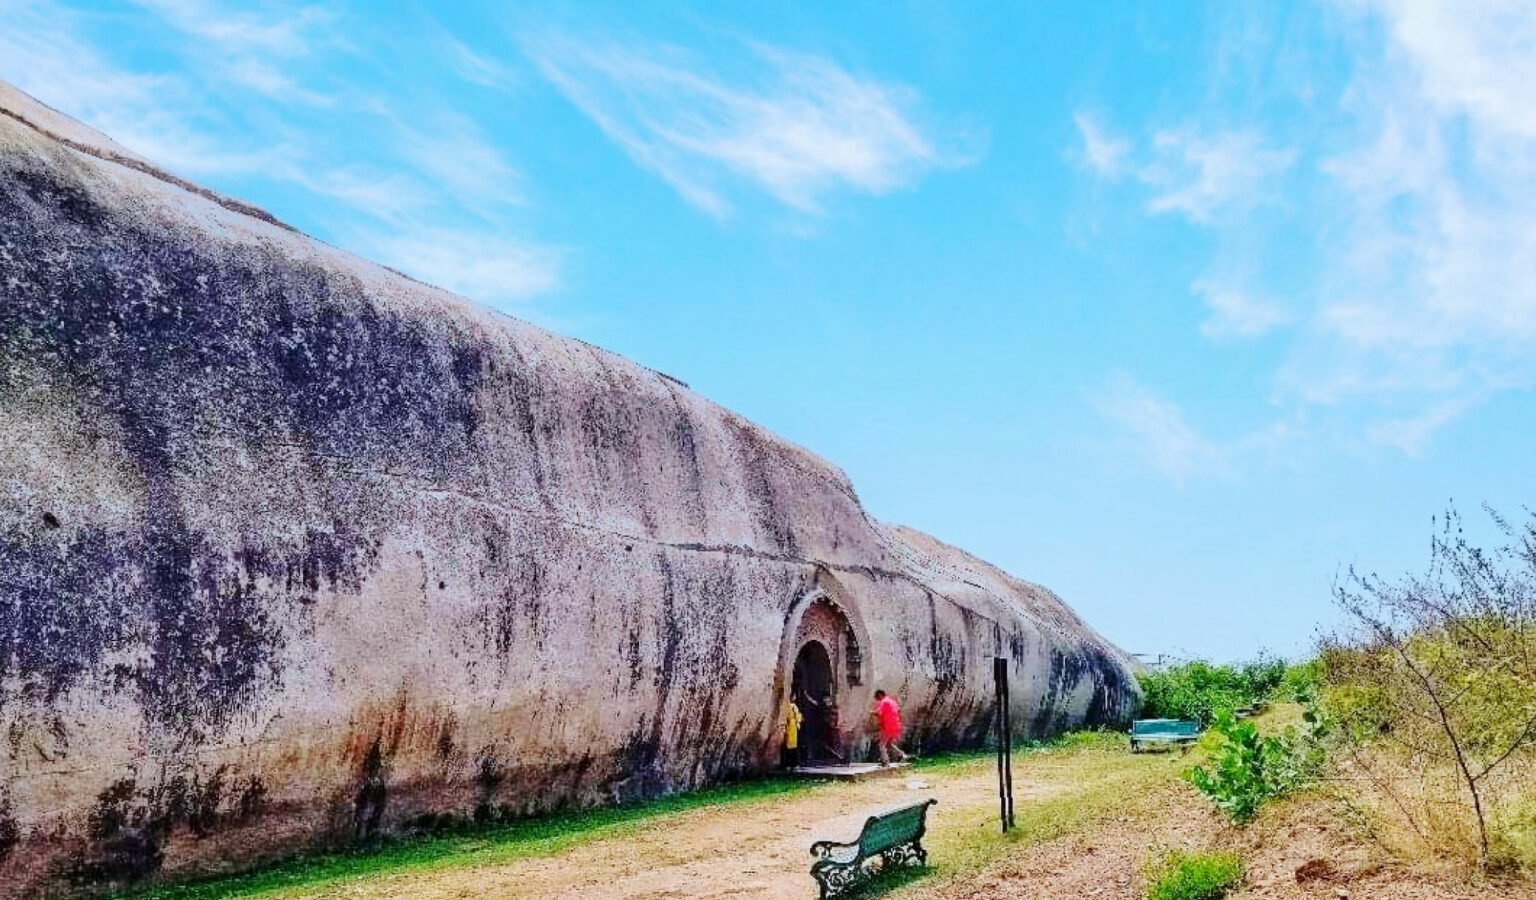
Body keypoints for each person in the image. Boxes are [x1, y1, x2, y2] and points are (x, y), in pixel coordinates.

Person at [872, 689, 908, 766]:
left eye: (876, 697)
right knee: (889, 744)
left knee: (882, 745)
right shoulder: (891, 701)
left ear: (880, 695)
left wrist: (871, 712)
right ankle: (902, 755)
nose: (877, 699)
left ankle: (885, 762)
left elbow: (879, 713)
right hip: (895, 726)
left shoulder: (884, 702)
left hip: (888, 727)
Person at [783, 697, 804, 768]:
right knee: (791, 747)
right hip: (791, 727)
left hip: (790, 727)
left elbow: (797, 716)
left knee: (790, 747)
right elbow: (798, 717)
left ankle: (791, 764)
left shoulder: (791, 706)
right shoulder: (792, 706)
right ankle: (792, 764)